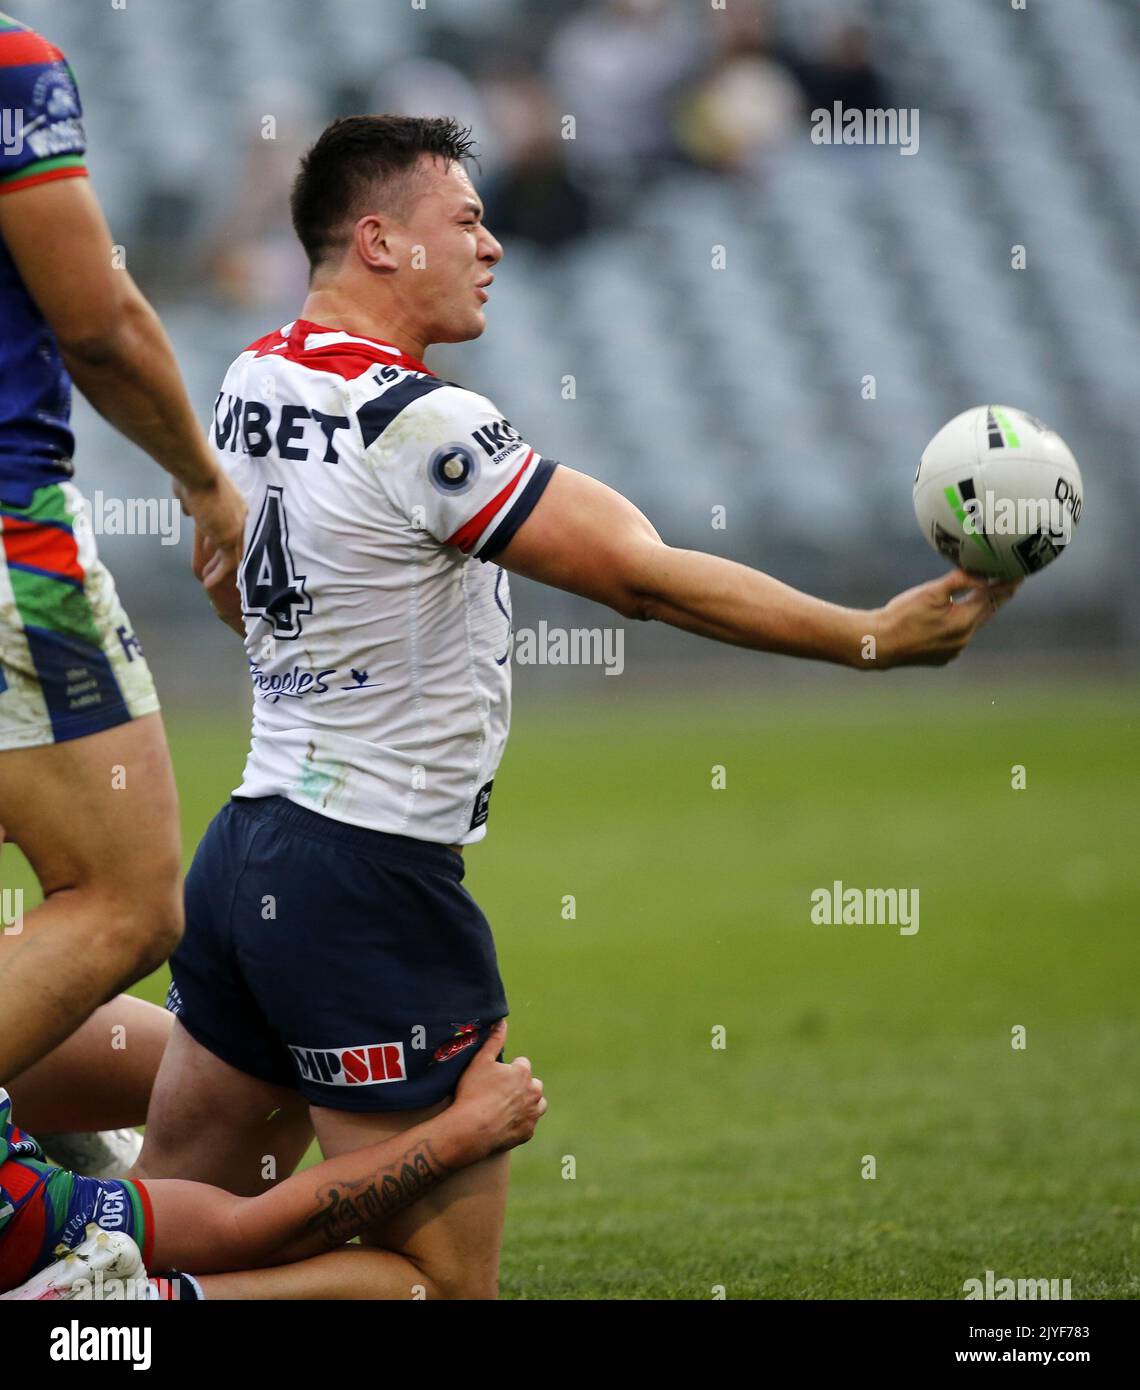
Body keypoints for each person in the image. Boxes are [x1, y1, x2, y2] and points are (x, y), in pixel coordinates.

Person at [136, 114, 1017, 1301]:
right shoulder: (425, 424)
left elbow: (238, 585)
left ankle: (100, 1319)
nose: (492, 245)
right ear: (381, 241)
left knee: (179, 1217)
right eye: (467, 220)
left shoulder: (250, 375)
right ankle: (152, 1315)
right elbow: (641, 576)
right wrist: (871, 638)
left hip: (247, 858)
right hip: (366, 882)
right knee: (433, 1287)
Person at [0, 12, 245, 1116]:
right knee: (127, 899)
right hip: (12, 540)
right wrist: (203, 478)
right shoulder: (9, 67)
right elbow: (95, 322)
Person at [1, 1021, 544, 1300]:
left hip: (254, 856)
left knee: (256, 1074)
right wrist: (463, 1134)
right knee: (445, 1288)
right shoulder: (23, 1210)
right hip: (23, 1217)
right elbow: (244, 1230)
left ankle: (66, 1135)